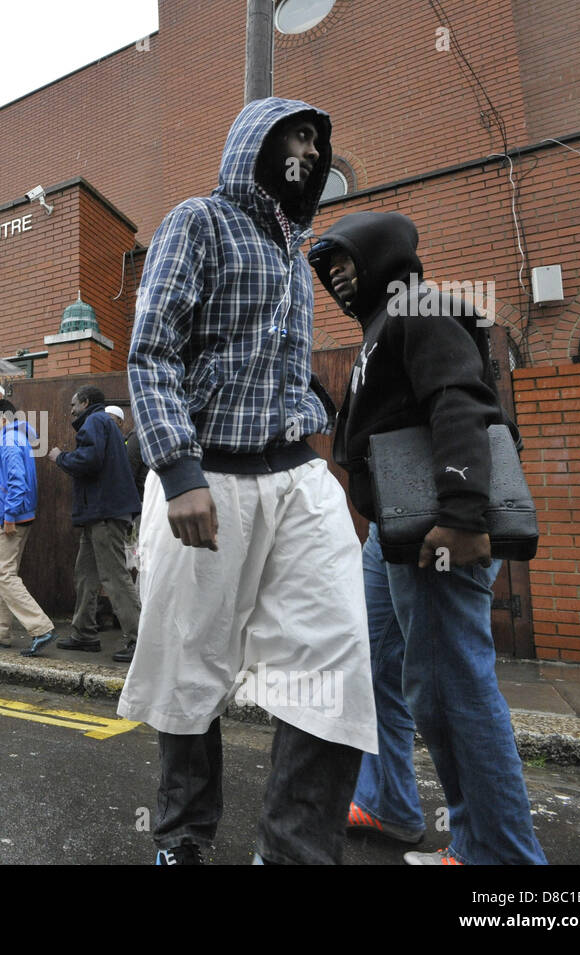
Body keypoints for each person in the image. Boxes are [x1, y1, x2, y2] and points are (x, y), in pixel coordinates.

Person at [122, 96, 377, 865]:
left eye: (315, 138)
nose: (306, 148)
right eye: (293, 133)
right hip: (209, 476)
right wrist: (178, 468)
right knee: (189, 664)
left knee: (334, 660)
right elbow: (152, 352)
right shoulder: (197, 221)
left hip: (296, 474)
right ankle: (183, 839)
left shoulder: (297, 256)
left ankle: (294, 850)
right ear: (252, 145)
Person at [309, 210, 547, 865]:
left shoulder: (421, 308)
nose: (337, 277)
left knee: (449, 689)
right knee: (375, 663)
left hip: (436, 531)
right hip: (392, 535)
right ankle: (389, 801)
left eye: (346, 262)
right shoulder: (382, 330)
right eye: (328, 271)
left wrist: (465, 515)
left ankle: (497, 854)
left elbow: (460, 402)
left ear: (384, 254)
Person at [48, 385, 142, 659]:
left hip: (104, 512)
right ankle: (84, 633)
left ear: (86, 402)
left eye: (73, 404)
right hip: (99, 513)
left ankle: (139, 640)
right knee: (86, 574)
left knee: (113, 576)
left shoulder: (94, 421)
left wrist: (60, 457)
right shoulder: (103, 423)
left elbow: (89, 460)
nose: (71, 410)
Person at [0, 399, 58, 656]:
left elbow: (17, 481)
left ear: (1, 418)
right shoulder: (11, 438)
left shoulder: (9, 440)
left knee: (4, 576)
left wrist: (8, 515)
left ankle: (41, 627)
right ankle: (0, 632)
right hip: (18, 515)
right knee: (3, 574)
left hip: (12, 518)